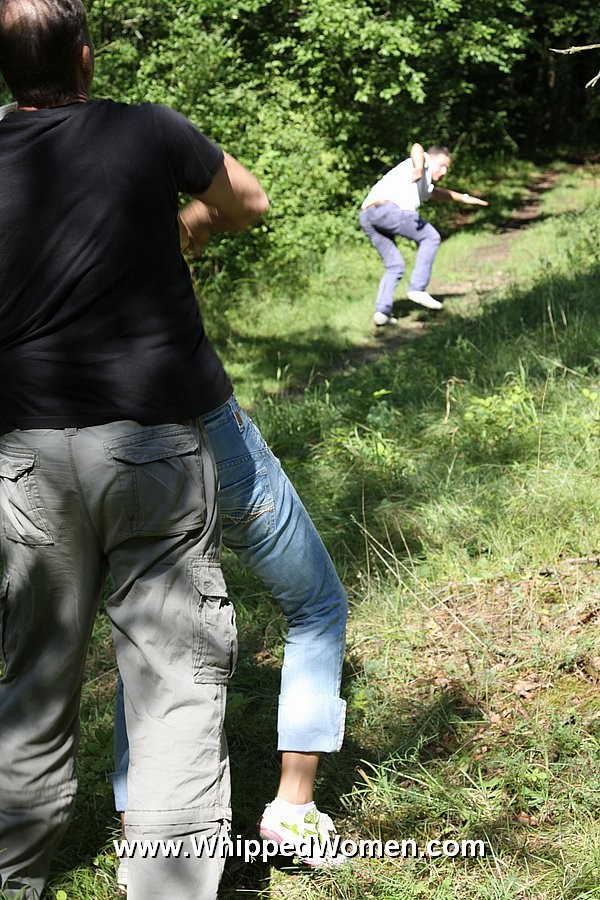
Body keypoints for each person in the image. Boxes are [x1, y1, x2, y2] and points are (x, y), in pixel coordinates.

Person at [0, 1, 268, 898]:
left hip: (23, 457)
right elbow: (248, 202)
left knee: (33, 684)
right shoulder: (147, 129)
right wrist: (189, 223)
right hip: (151, 440)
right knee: (173, 686)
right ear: (84, 56)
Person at [111, 207, 349, 890]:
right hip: (204, 423)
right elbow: (245, 198)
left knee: (148, 637)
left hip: (104, 446)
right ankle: (293, 810)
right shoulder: (140, 150)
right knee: (315, 608)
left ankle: (139, 835)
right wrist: (185, 224)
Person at [359, 143, 488, 326]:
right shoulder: (422, 162)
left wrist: (465, 198)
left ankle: (382, 312)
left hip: (367, 215)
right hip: (389, 209)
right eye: (442, 165)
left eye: (447, 169)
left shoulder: (424, 181)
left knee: (395, 265)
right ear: (432, 158)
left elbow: (438, 193)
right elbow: (417, 147)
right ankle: (417, 289)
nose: (444, 172)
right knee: (430, 237)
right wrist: (419, 167)